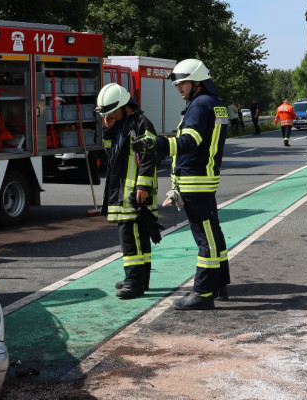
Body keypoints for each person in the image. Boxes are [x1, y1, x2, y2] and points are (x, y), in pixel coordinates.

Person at [134, 58, 230, 310]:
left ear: (197, 82)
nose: (178, 87)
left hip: (194, 180)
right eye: (176, 84)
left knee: (205, 238)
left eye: (182, 83)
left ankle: (203, 292)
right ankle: (219, 283)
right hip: (204, 179)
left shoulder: (199, 105)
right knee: (213, 233)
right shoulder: (215, 104)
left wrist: (156, 143)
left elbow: (189, 142)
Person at [96, 83, 160, 299]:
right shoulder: (121, 123)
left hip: (134, 192)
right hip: (125, 190)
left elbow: (150, 156)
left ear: (124, 105)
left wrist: (143, 186)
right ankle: (140, 279)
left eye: (112, 112)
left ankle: (134, 283)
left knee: (130, 238)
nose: (110, 116)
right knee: (138, 237)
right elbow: (110, 153)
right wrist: (108, 128)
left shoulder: (141, 123)